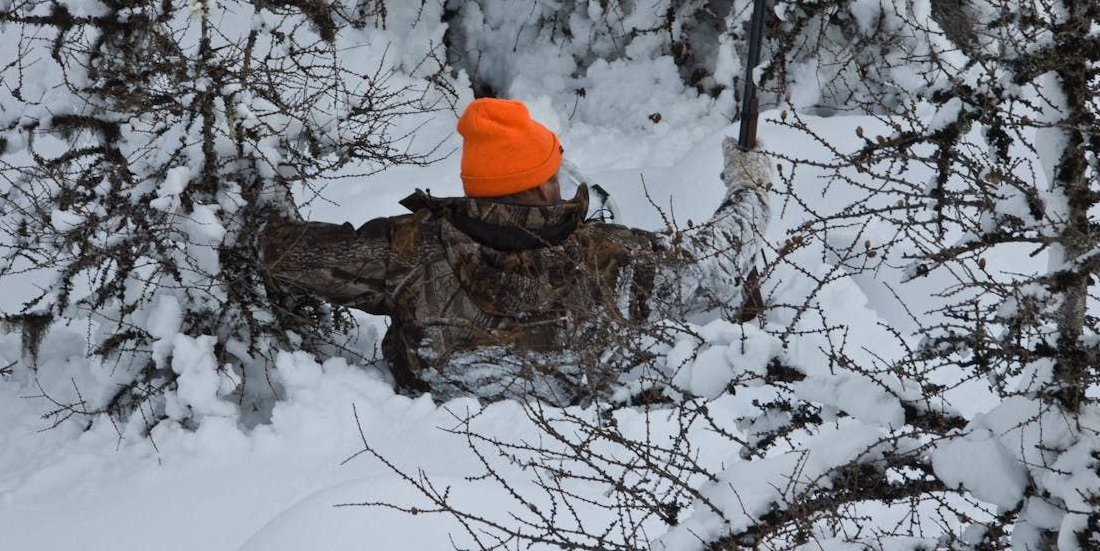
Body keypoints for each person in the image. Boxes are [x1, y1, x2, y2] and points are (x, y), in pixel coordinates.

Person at [260, 98, 773, 404]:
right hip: (569, 459)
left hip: (430, 452)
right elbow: (719, 263)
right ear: (541, 186)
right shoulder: (607, 255)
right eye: (551, 172)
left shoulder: (410, 248)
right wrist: (749, 188)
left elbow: (286, 253)